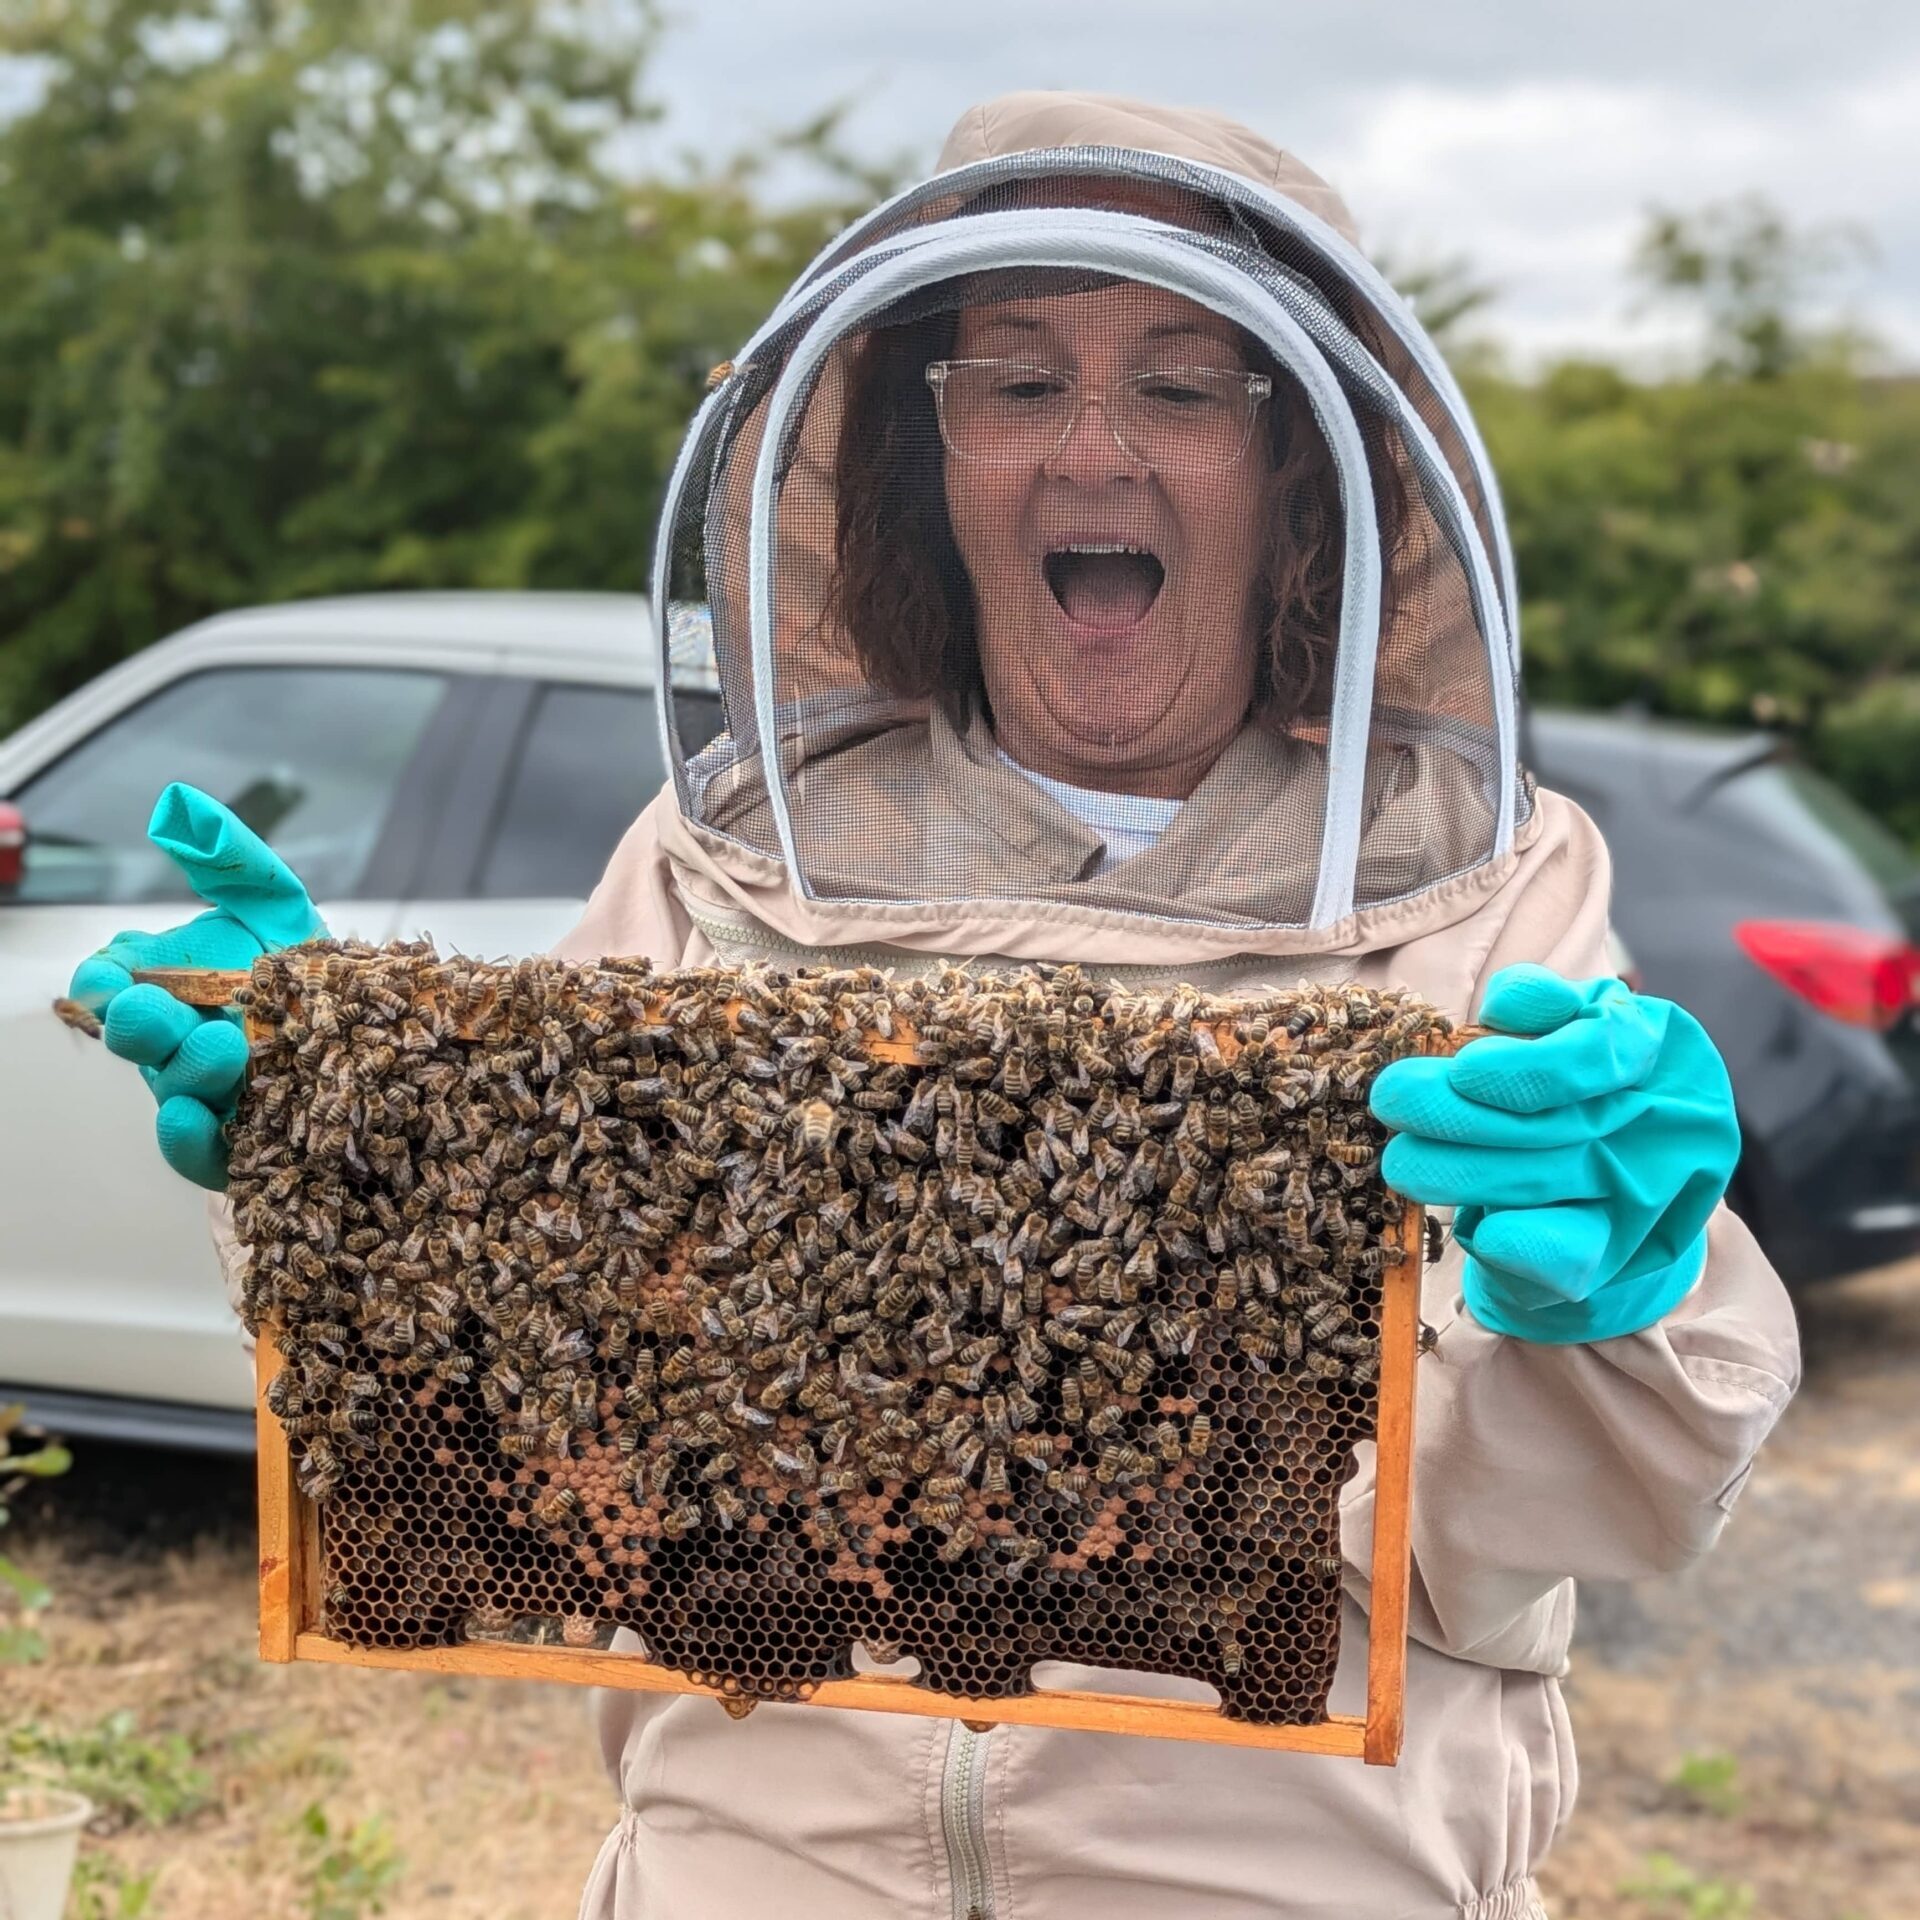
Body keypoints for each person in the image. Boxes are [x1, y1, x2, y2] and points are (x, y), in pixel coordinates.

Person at [73, 93, 1799, 1920]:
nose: (1096, 450)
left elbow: (1586, 1511)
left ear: (1308, 471)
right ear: (928, 456)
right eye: (1019, 382)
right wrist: (339, 1131)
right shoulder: (729, 855)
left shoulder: (1484, 881)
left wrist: (1611, 1306)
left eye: (1186, 384)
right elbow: (512, 1391)